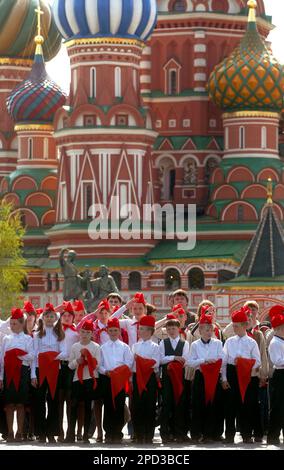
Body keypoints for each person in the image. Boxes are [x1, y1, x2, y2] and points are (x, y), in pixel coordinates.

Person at [221, 306, 261, 444]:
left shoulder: (252, 342)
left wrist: (244, 362)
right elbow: (224, 362)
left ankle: (247, 434)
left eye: (237, 326)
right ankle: (229, 435)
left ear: (245, 325)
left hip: (246, 375)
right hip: (232, 373)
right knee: (230, 406)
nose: (235, 329)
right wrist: (224, 378)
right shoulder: (229, 341)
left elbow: (257, 362)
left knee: (246, 405)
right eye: (233, 326)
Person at [32, 303, 66, 443]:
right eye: (47, 316)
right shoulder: (37, 334)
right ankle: (40, 432)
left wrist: (53, 357)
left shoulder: (59, 333)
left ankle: (52, 432)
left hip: (54, 369)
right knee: (39, 401)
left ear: (55, 318)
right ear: (43, 318)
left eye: (52, 316)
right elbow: (34, 355)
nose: (49, 318)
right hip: (40, 369)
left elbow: (64, 352)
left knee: (53, 400)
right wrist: (33, 375)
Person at [187, 313, 224, 443]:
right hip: (201, 377)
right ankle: (198, 434)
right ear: (200, 330)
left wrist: (222, 377)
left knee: (214, 404)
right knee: (199, 405)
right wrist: (203, 360)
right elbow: (190, 362)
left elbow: (222, 360)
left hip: (214, 377)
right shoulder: (195, 345)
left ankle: (213, 433)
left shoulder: (218, 343)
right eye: (206, 329)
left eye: (211, 329)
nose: (209, 332)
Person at [0, 308, 34, 442]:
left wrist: (19, 356)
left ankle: (20, 432)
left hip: (23, 372)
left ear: (22, 324)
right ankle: (10, 432)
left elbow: (32, 356)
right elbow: (2, 359)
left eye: (15, 323)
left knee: (20, 404)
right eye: (11, 323)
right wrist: (1, 377)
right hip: (8, 372)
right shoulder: (6, 339)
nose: (12, 326)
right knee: (9, 404)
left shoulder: (27, 339)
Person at [99, 318, 133, 444]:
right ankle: (108, 433)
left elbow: (129, 362)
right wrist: (105, 371)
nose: (113, 332)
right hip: (107, 378)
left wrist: (120, 372)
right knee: (108, 405)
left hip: (120, 379)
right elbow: (99, 364)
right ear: (107, 331)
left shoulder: (124, 347)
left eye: (115, 330)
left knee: (119, 405)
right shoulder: (103, 347)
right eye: (111, 330)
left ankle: (117, 433)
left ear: (119, 331)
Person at [67, 319, 100, 444]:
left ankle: (86, 434)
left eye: (88, 332)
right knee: (74, 406)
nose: (85, 334)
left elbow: (98, 364)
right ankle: (71, 434)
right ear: (79, 332)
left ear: (91, 334)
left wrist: (89, 361)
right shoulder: (75, 346)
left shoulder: (95, 347)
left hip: (91, 379)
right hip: (77, 380)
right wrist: (77, 362)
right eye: (83, 331)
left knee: (87, 407)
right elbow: (70, 365)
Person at [159, 316, 190, 443]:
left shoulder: (185, 343)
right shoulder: (163, 343)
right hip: (166, 377)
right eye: (169, 328)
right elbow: (161, 359)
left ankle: (180, 433)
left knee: (180, 404)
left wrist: (172, 358)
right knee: (166, 404)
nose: (171, 331)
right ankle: (165, 433)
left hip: (180, 378)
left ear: (179, 329)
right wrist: (174, 357)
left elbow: (185, 359)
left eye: (174, 328)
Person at [131, 315, 160, 444]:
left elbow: (155, 363)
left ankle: (148, 434)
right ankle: (138, 433)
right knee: (137, 405)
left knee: (149, 406)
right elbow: (132, 364)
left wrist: (141, 361)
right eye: (139, 328)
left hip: (149, 378)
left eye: (142, 329)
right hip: (137, 377)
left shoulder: (155, 346)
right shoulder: (135, 346)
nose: (140, 331)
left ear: (150, 331)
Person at [58, 301, 79, 442]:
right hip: (58, 367)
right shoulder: (55, 330)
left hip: (72, 368)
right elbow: (42, 318)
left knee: (71, 401)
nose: (66, 318)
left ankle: (71, 432)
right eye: (64, 315)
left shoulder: (76, 332)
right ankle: (59, 431)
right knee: (59, 400)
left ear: (73, 317)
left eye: (69, 315)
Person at [267, 307, 284, 445]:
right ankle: (273, 435)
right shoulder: (275, 342)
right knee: (277, 406)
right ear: (278, 328)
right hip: (279, 375)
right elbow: (277, 361)